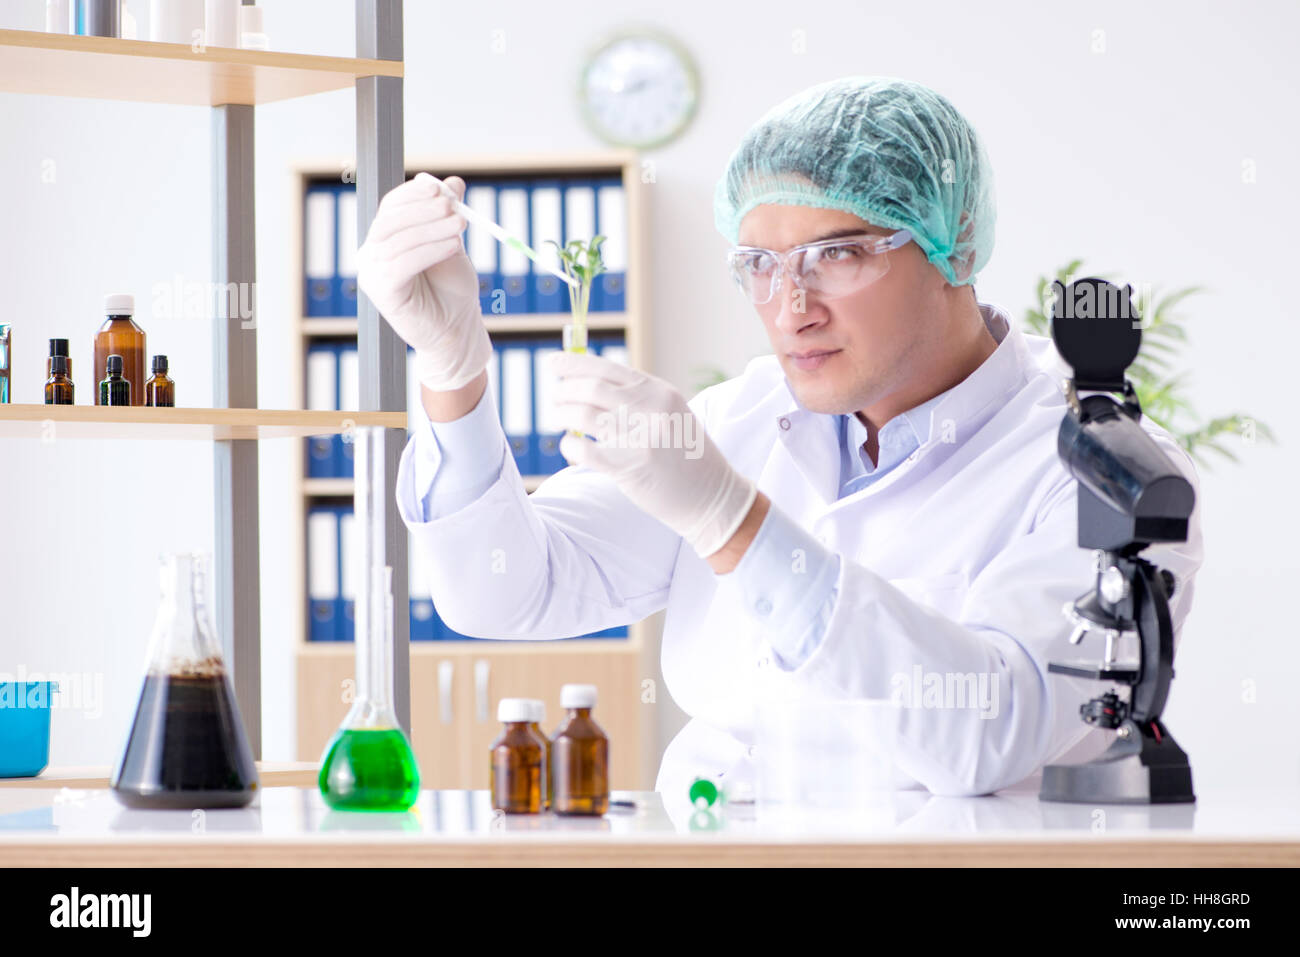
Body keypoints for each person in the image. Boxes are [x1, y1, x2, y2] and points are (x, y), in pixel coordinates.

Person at [356, 75, 1204, 799]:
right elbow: (505, 592)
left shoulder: (1105, 469)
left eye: (835, 254)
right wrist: (451, 372)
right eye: (759, 264)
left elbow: (989, 729)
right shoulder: (741, 417)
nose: (791, 307)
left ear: (957, 247)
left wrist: (734, 523)